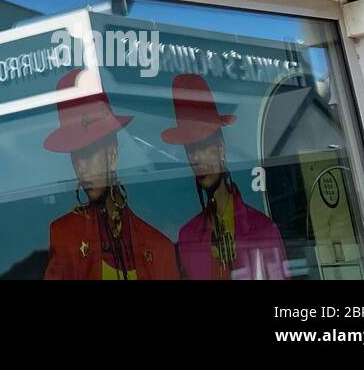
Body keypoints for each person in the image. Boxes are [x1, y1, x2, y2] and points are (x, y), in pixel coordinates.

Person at [43, 69, 178, 280]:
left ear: (113, 155)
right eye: (76, 155)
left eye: (89, 153)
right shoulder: (65, 236)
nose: (82, 167)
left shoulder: (159, 247)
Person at [161, 73, 289, 280]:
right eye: (190, 149)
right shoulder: (187, 236)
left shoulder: (263, 229)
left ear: (221, 149)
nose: (196, 157)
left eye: (203, 146)